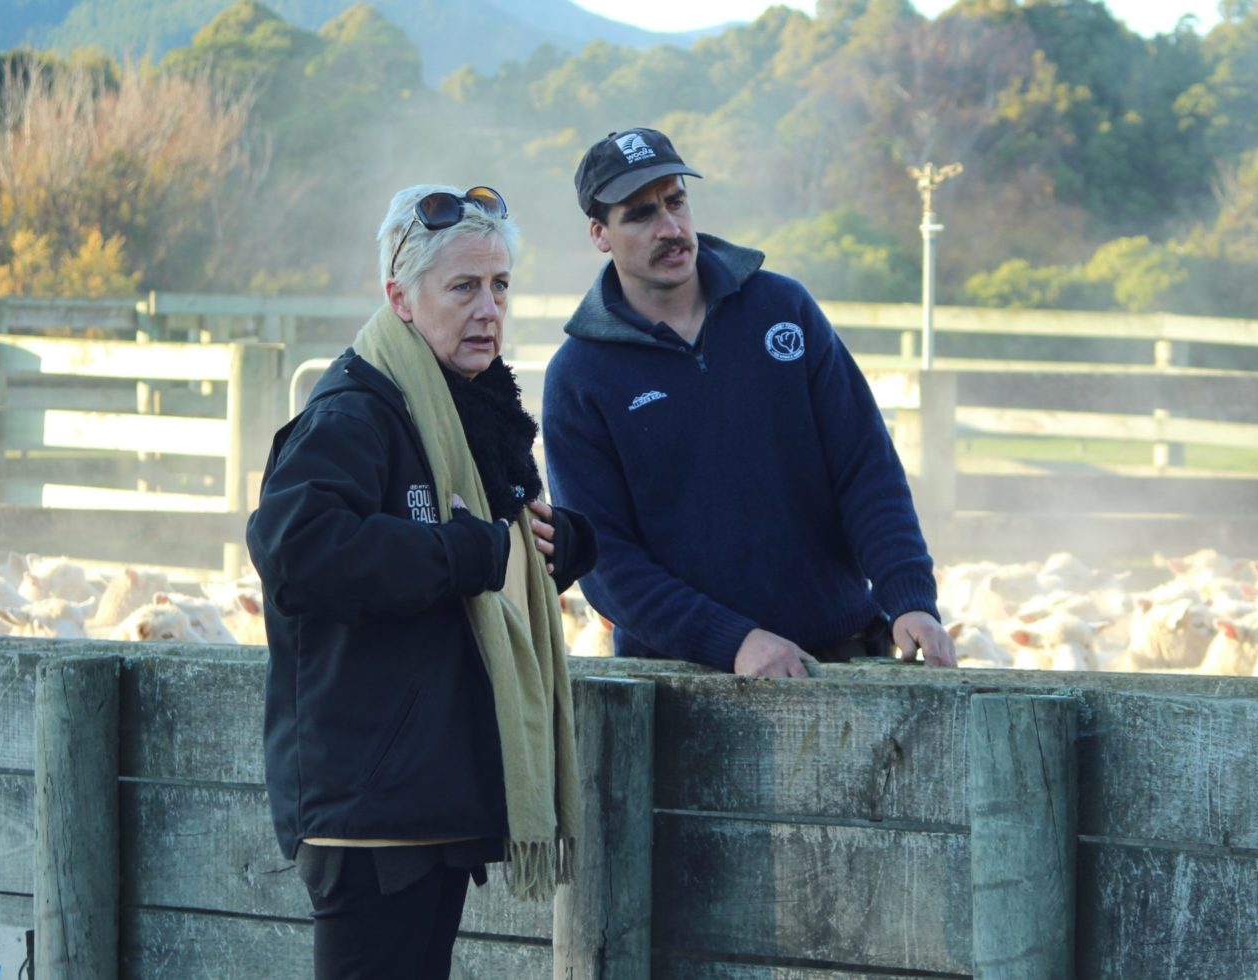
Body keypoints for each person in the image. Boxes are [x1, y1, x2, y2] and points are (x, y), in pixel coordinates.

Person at [246, 183, 594, 979]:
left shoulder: (479, 413)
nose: (489, 309)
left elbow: (495, 547)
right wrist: (460, 554)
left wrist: (558, 546)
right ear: (400, 298)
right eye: (463, 287)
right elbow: (295, 547)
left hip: (432, 793)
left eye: (500, 285)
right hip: (369, 807)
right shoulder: (353, 412)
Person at [542, 127, 956, 679]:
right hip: (684, 684)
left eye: (676, 200)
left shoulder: (783, 309)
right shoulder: (580, 375)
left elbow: (865, 468)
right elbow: (604, 559)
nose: (670, 227)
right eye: (640, 214)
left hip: (843, 655)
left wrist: (909, 597)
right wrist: (733, 641)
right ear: (600, 233)